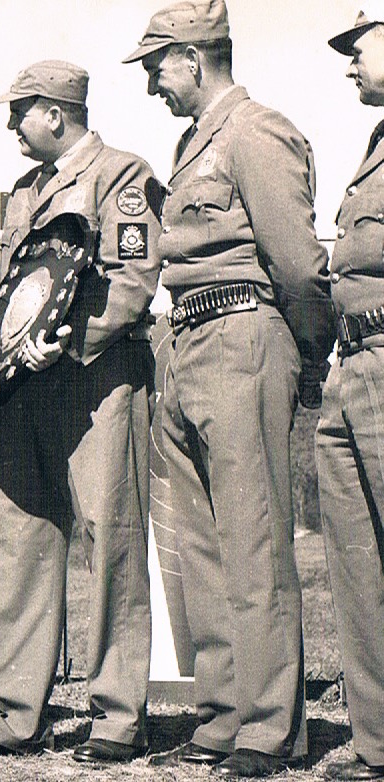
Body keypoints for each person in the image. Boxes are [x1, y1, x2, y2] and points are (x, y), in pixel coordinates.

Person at [122, 0, 336, 777]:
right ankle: (220, 717)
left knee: (251, 540)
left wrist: (307, 359)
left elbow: (302, 268)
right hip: (185, 341)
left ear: (192, 57)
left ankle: (270, 728)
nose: (152, 84)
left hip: (245, 335)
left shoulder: (257, 132)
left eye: (156, 66)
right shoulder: (192, 143)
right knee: (200, 550)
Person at [0, 60, 161, 761]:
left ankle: (116, 719)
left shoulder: (122, 175)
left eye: (19, 109)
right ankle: (18, 713)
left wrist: (69, 343)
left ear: (55, 112)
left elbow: (134, 279)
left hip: (94, 380)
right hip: (22, 387)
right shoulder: (25, 190)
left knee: (109, 539)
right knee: (21, 543)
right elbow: (6, 282)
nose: (10, 123)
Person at [317, 8, 384, 781]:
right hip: (355, 362)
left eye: (357, 48)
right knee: (359, 568)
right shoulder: (375, 143)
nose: (347, 65)